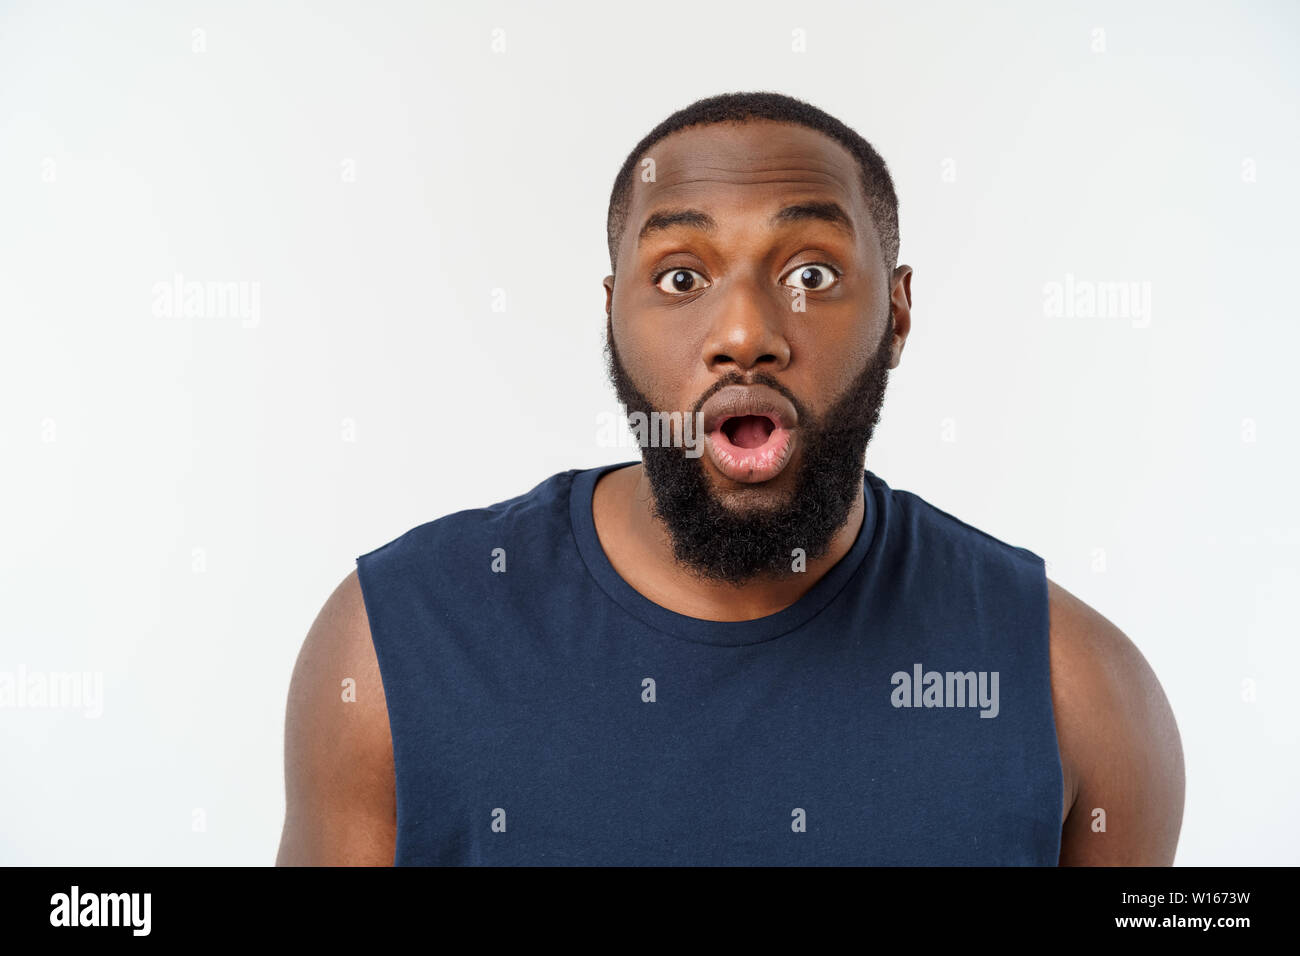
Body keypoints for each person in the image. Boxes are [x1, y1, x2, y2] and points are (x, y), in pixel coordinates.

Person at [276, 91, 1184, 866]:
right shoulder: (391, 643)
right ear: (612, 318)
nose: (745, 331)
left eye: (812, 272)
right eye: (679, 278)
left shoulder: (1077, 689)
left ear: (897, 313)